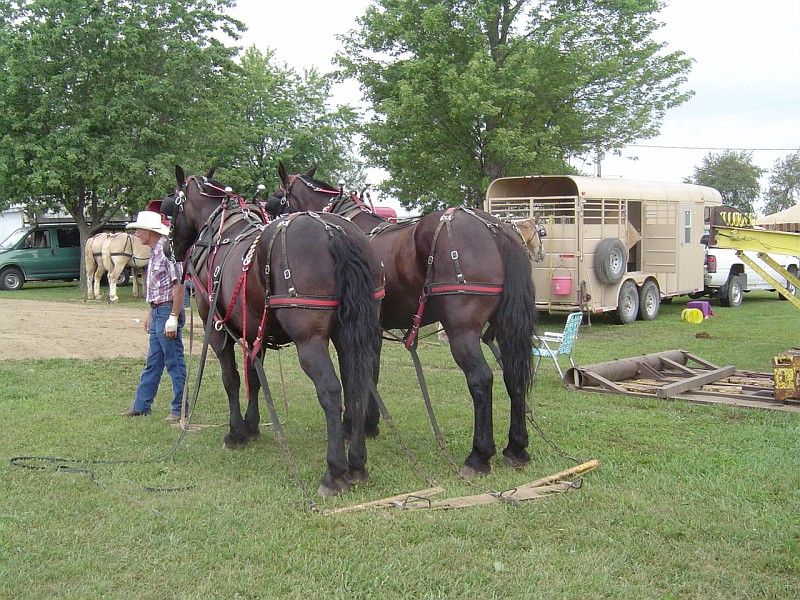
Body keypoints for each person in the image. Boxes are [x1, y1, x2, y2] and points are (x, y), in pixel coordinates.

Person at [121, 210, 188, 421]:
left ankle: (179, 409)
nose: (137, 234)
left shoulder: (168, 252)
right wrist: (152, 312)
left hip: (167, 311)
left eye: (139, 230)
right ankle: (141, 405)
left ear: (149, 232)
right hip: (159, 310)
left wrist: (173, 316)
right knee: (154, 361)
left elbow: (179, 285)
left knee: (174, 362)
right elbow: (159, 288)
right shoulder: (155, 252)